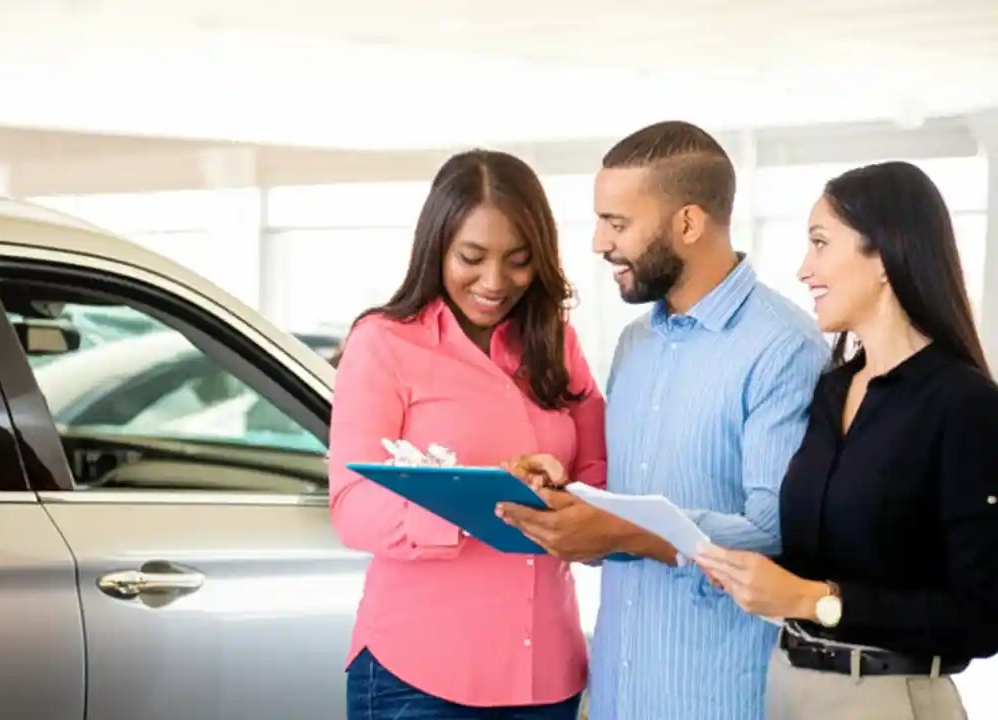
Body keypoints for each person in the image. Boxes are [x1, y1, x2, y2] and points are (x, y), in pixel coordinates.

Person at [497, 121, 829, 720]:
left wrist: (623, 530)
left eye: (617, 223)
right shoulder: (634, 344)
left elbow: (776, 531)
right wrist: (566, 498)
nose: (599, 242)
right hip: (621, 692)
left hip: (717, 695)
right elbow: (619, 509)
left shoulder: (783, 348)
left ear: (688, 223)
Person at [693, 160, 998, 719]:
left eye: (820, 243)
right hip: (790, 687)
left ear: (882, 254)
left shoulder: (964, 404)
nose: (804, 269)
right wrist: (749, 572)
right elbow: (826, 551)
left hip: (887, 698)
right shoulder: (830, 390)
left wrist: (815, 600)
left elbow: (981, 616)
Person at [328, 149, 606, 719]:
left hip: (546, 679)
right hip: (419, 675)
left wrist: (558, 497)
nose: (495, 282)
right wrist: (471, 501)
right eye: (472, 258)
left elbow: (599, 478)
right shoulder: (383, 343)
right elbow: (352, 507)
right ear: (437, 247)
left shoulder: (557, 342)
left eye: (519, 260)